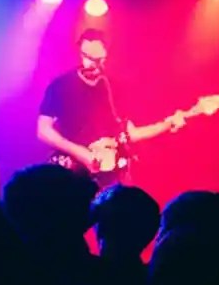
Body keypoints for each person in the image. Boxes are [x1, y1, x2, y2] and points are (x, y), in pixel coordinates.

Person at [36, 29, 185, 180]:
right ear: (79, 53)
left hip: (105, 173)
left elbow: (130, 133)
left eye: (98, 59)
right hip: (71, 171)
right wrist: (80, 153)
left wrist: (167, 124)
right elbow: (43, 130)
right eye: (87, 57)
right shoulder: (61, 85)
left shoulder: (114, 88)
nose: (92, 64)